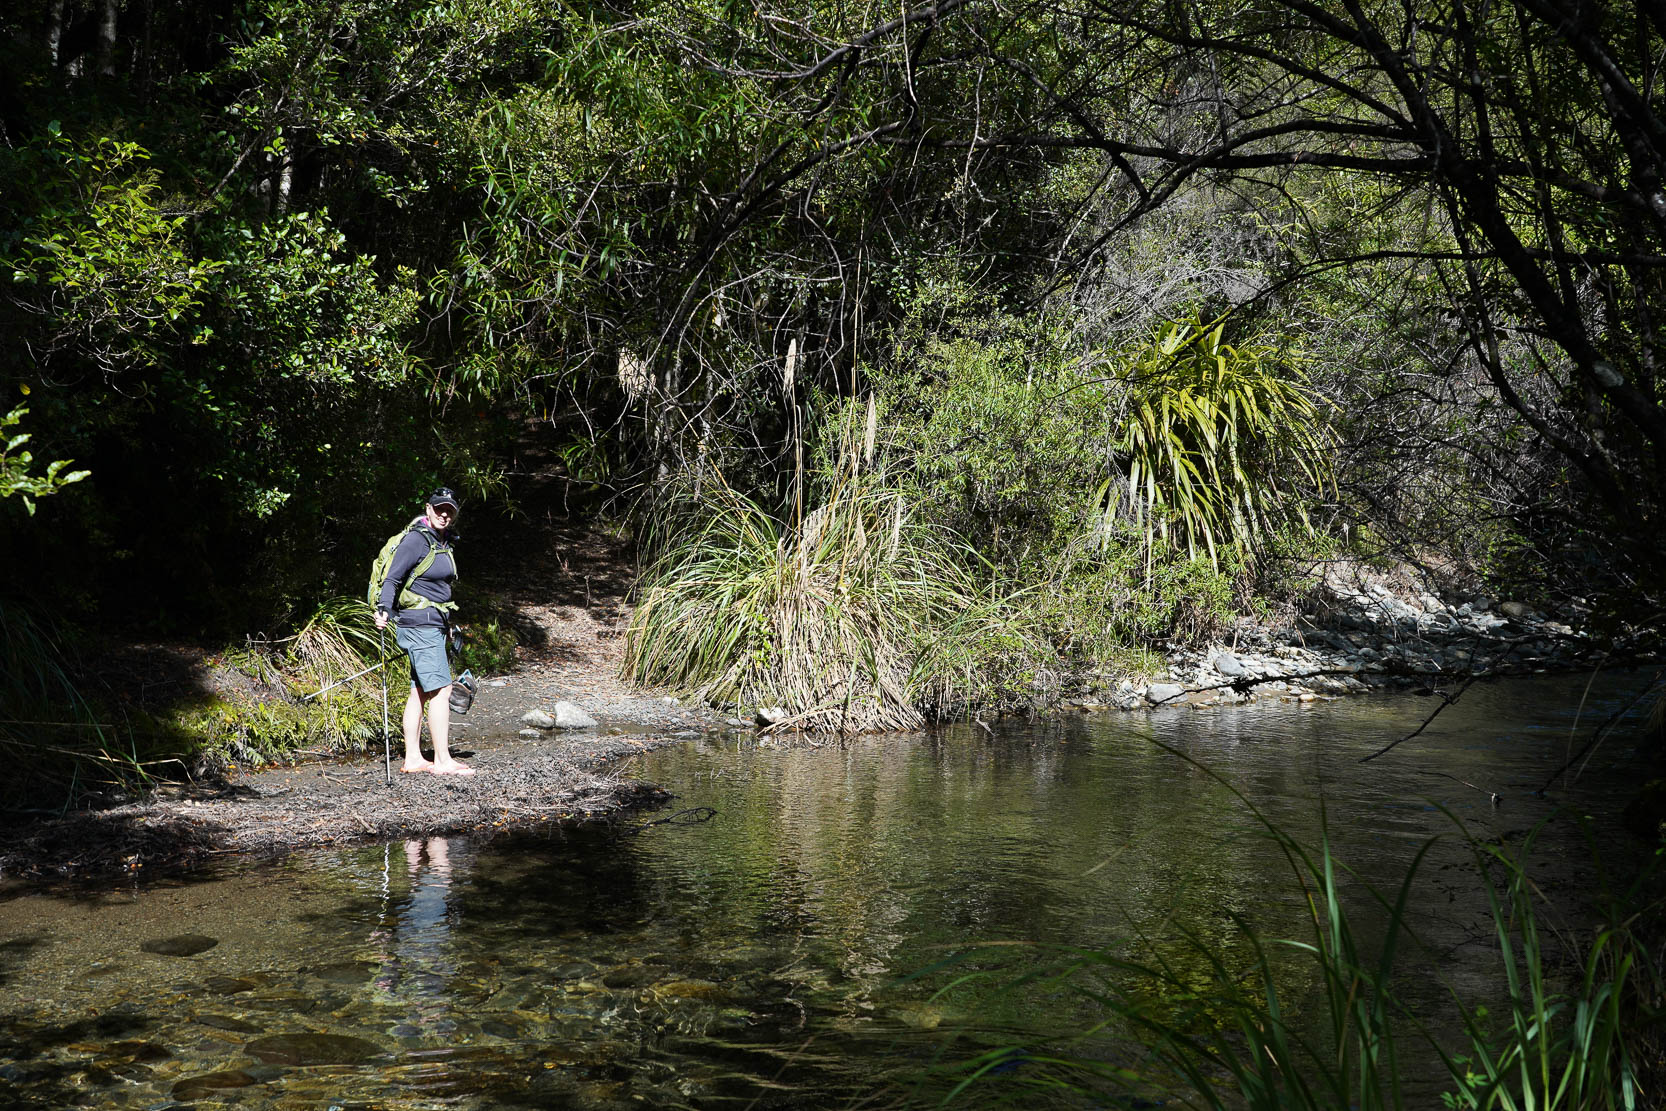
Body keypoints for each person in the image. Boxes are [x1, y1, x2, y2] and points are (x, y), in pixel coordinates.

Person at [374, 488, 474, 776]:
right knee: (441, 690)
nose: (444, 514)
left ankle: (414, 758)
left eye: (450, 510)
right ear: (428, 509)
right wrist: (383, 609)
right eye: (439, 508)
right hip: (419, 624)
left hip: (432, 623)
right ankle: (442, 761)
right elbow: (392, 578)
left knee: (418, 690)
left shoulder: (441, 541)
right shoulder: (416, 540)